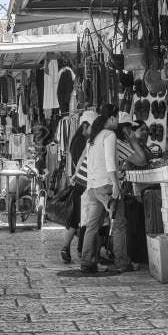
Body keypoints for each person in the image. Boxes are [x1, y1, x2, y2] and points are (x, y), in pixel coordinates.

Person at [80, 105, 133, 273]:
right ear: (111, 118)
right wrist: (116, 185)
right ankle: (122, 263)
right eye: (117, 118)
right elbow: (111, 163)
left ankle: (88, 262)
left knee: (92, 226)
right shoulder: (109, 135)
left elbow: (90, 166)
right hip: (107, 186)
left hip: (95, 186)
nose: (118, 122)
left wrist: (90, 187)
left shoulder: (92, 139)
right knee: (119, 224)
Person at [59, 110, 98, 263]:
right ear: (87, 125)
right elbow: (84, 161)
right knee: (87, 218)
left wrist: (74, 175)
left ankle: (66, 247)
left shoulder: (76, 140)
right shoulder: (86, 140)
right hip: (85, 182)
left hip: (78, 182)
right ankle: (83, 250)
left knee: (75, 218)